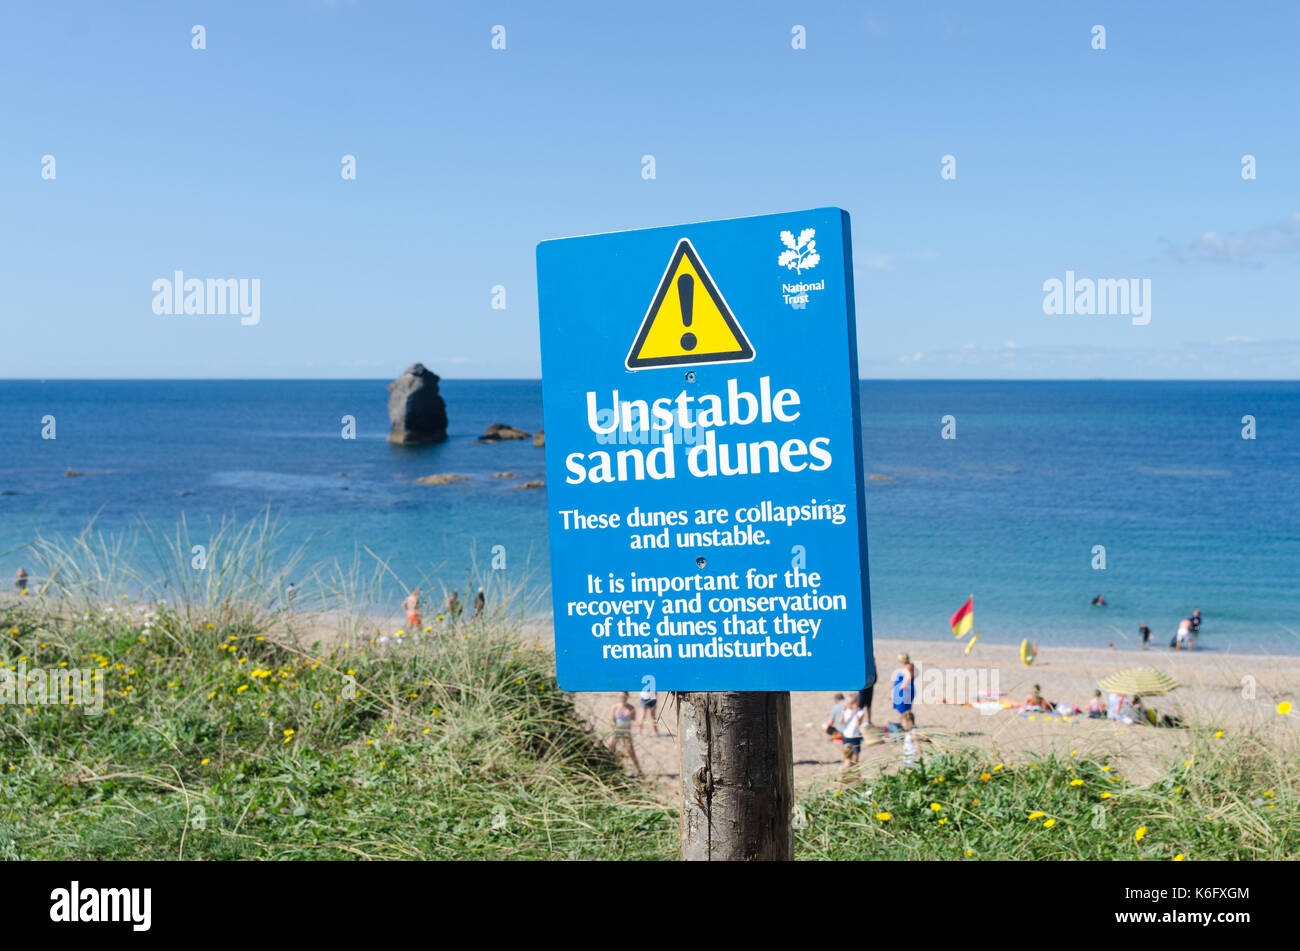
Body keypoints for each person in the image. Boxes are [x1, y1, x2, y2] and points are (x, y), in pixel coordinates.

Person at [607, 692, 641, 774]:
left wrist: (638, 724)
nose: (622, 698)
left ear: (627, 697)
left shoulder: (631, 708)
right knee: (609, 746)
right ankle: (610, 767)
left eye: (624, 697)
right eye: (621, 697)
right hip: (616, 731)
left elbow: (633, 721)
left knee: (630, 751)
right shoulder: (615, 707)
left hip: (626, 732)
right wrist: (615, 725)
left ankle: (639, 770)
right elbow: (611, 721)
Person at [837, 695, 865, 771]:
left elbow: (858, 724)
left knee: (855, 760)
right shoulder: (846, 711)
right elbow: (840, 722)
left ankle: (854, 774)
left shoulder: (860, 712)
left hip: (855, 738)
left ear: (856, 703)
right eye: (848, 704)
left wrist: (855, 713)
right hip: (846, 737)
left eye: (852, 703)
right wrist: (843, 712)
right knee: (847, 759)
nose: (850, 706)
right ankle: (844, 773)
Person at [892, 653, 916, 723]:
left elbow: (908, 678)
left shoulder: (908, 666)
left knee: (903, 708)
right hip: (907, 689)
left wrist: (902, 686)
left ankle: (905, 723)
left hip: (905, 690)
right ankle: (905, 722)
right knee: (906, 708)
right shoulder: (910, 665)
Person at [858, 657, 878, 729]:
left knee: (868, 705)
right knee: (861, 706)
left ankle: (869, 721)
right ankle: (859, 722)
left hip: (869, 688)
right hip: (864, 689)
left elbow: (875, 678)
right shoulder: (864, 666)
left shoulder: (872, 667)